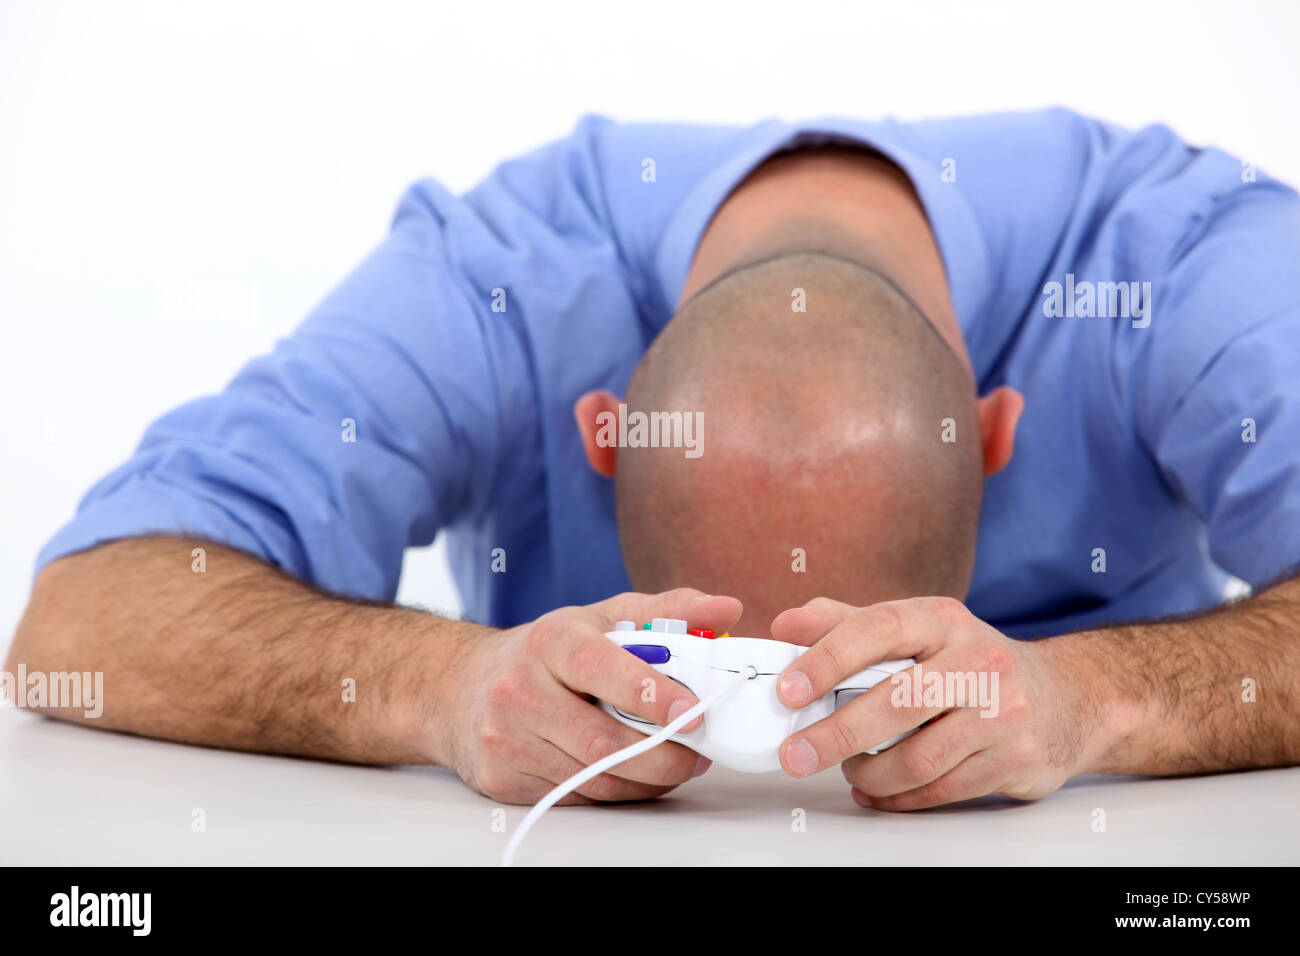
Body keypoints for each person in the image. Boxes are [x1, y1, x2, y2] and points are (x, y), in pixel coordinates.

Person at [9, 109, 1300, 811]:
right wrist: (439, 686)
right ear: (604, 434)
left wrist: (1102, 700)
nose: (778, 723)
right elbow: (82, 618)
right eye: (716, 657)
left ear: (1000, 435)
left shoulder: (1189, 269)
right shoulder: (491, 284)